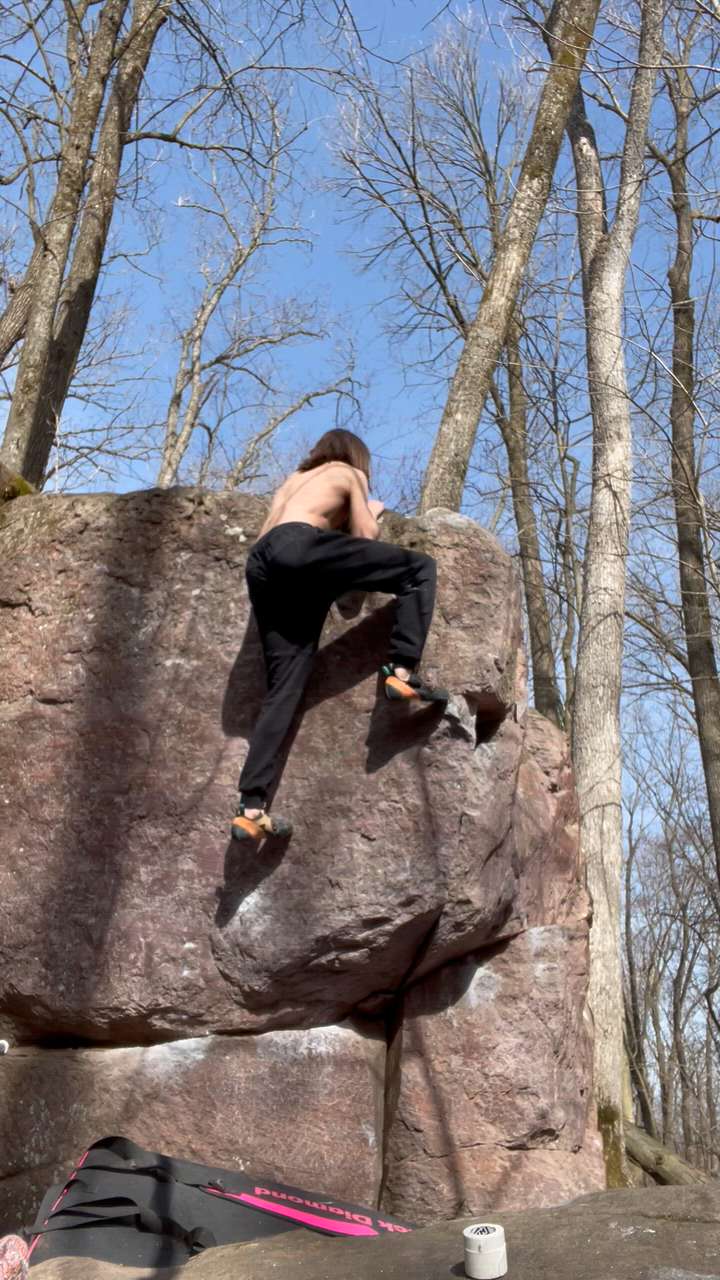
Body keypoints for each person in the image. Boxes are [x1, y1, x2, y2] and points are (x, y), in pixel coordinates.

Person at [232, 428, 447, 842]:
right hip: (300, 548)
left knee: (285, 688)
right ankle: (401, 673)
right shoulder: (348, 472)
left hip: (262, 566)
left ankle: (251, 806)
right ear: (356, 456)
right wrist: (372, 509)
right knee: (420, 570)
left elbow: (272, 542)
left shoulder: (292, 483)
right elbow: (365, 536)